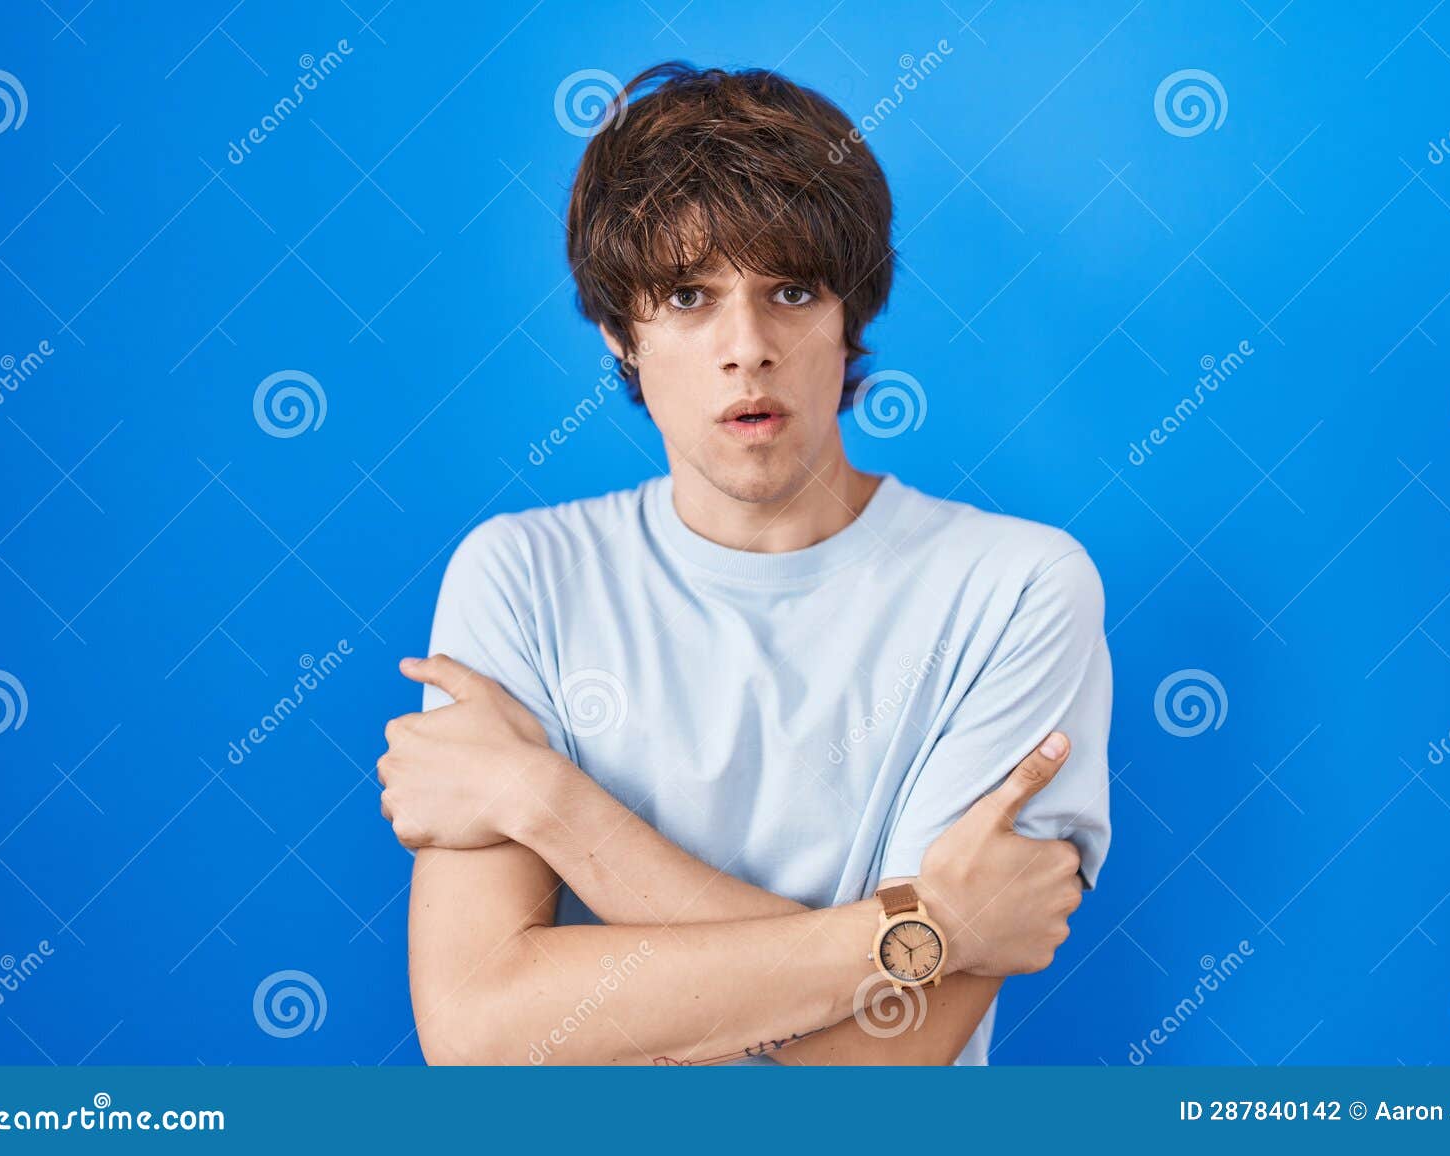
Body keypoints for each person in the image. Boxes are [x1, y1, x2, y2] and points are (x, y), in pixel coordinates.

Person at [375, 62, 1112, 1065]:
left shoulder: (1016, 587)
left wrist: (549, 802)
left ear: (849, 319)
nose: (746, 348)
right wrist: (928, 926)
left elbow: (872, 1070)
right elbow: (481, 1027)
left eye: (792, 291)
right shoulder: (519, 576)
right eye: (687, 296)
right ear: (618, 338)